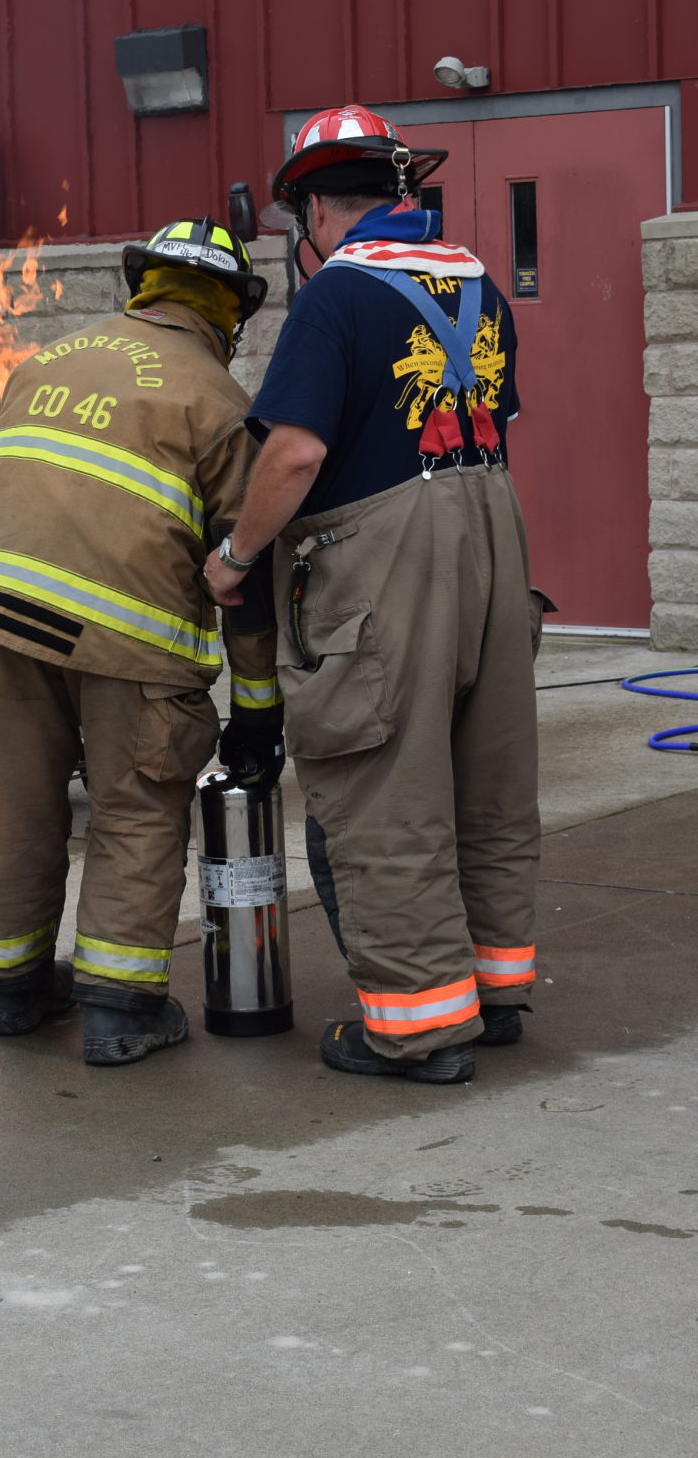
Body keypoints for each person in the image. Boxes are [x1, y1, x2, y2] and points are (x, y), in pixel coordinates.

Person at [204, 106, 539, 1086]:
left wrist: (235, 552)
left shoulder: (335, 295)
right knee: (486, 776)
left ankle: (419, 1028)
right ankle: (494, 991)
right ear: (398, 191)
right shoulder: (476, 279)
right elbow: (494, 420)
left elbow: (296, 450)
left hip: (385, 560)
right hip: (490, 537)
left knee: (386, 782)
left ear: (310, 207)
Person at [0, 218, 284, 1066]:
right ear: (228, 311)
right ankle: (121, 1011)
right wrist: (259, 705)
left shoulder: (43, 362)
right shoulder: (220, 400)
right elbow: (246, 569)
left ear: (142, 283)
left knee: (11, 803)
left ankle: (13, 994)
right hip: (125, 636)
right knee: (137, 805)